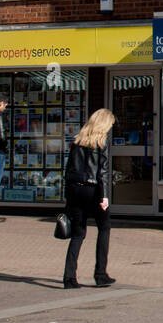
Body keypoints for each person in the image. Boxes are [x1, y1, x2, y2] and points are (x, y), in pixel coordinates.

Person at [63, 109, 115, 289]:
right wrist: (105, 197)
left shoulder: (77, 141)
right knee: (104, 229)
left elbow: (68, 171)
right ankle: (100, 274)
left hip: (75, 189)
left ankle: (69, 277)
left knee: (78, 233)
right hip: (94, 190)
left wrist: (68, 197)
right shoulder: (102, 142)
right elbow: (103, 172)